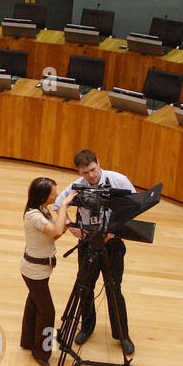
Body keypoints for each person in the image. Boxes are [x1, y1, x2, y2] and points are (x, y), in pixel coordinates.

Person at [53, 149, 136, 355]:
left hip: (113, 244)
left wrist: (114, 230)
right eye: (85, 173)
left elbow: (135, 207)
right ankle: (87, 327)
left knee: (114, 288)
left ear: (98, 163)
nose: (90, 176)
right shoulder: (77, 185)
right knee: (85, 287)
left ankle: (122, 334)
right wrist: (71, 225)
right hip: (88, 242)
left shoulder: (119, 180)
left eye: (92, 169)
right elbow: (57, 204)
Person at [21, 177, 75, 366]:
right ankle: (41, 352)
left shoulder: (42, 210)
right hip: (35, 271)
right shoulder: (34, 216)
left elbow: (56, 234)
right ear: (43, 196)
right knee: (47, 312)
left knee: (34, 303)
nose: (57, 195)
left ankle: (27, 341)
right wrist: (64, 207)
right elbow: (55, 229)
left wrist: (67, 224)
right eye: (53, 193)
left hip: (38, 268)